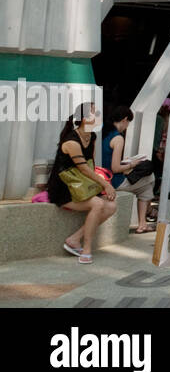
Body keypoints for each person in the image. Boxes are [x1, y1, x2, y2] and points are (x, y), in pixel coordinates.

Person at [47, 103, 116, 265]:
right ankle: (86, 249)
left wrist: (102, 184)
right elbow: (84, 169)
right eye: (94, 113)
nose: (98, 116)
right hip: (64, 188)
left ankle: (74, 239)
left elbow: (91, 165)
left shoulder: (91, 136)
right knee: (99, 204)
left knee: (112, 206)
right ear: (84, 119)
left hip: (81, 185)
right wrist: (105, 185)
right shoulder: (72, 141)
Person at [103, 106, 154, 233]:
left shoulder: (103, 132)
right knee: (150, 180)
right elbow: (115, 168)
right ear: (125, 119)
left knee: (146, 185)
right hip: (113, 181)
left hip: (101, 177)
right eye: (128, 123)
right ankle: (143, 222)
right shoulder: (118, 138)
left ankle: (143, 222)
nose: (127, 126)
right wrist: (132, 163)